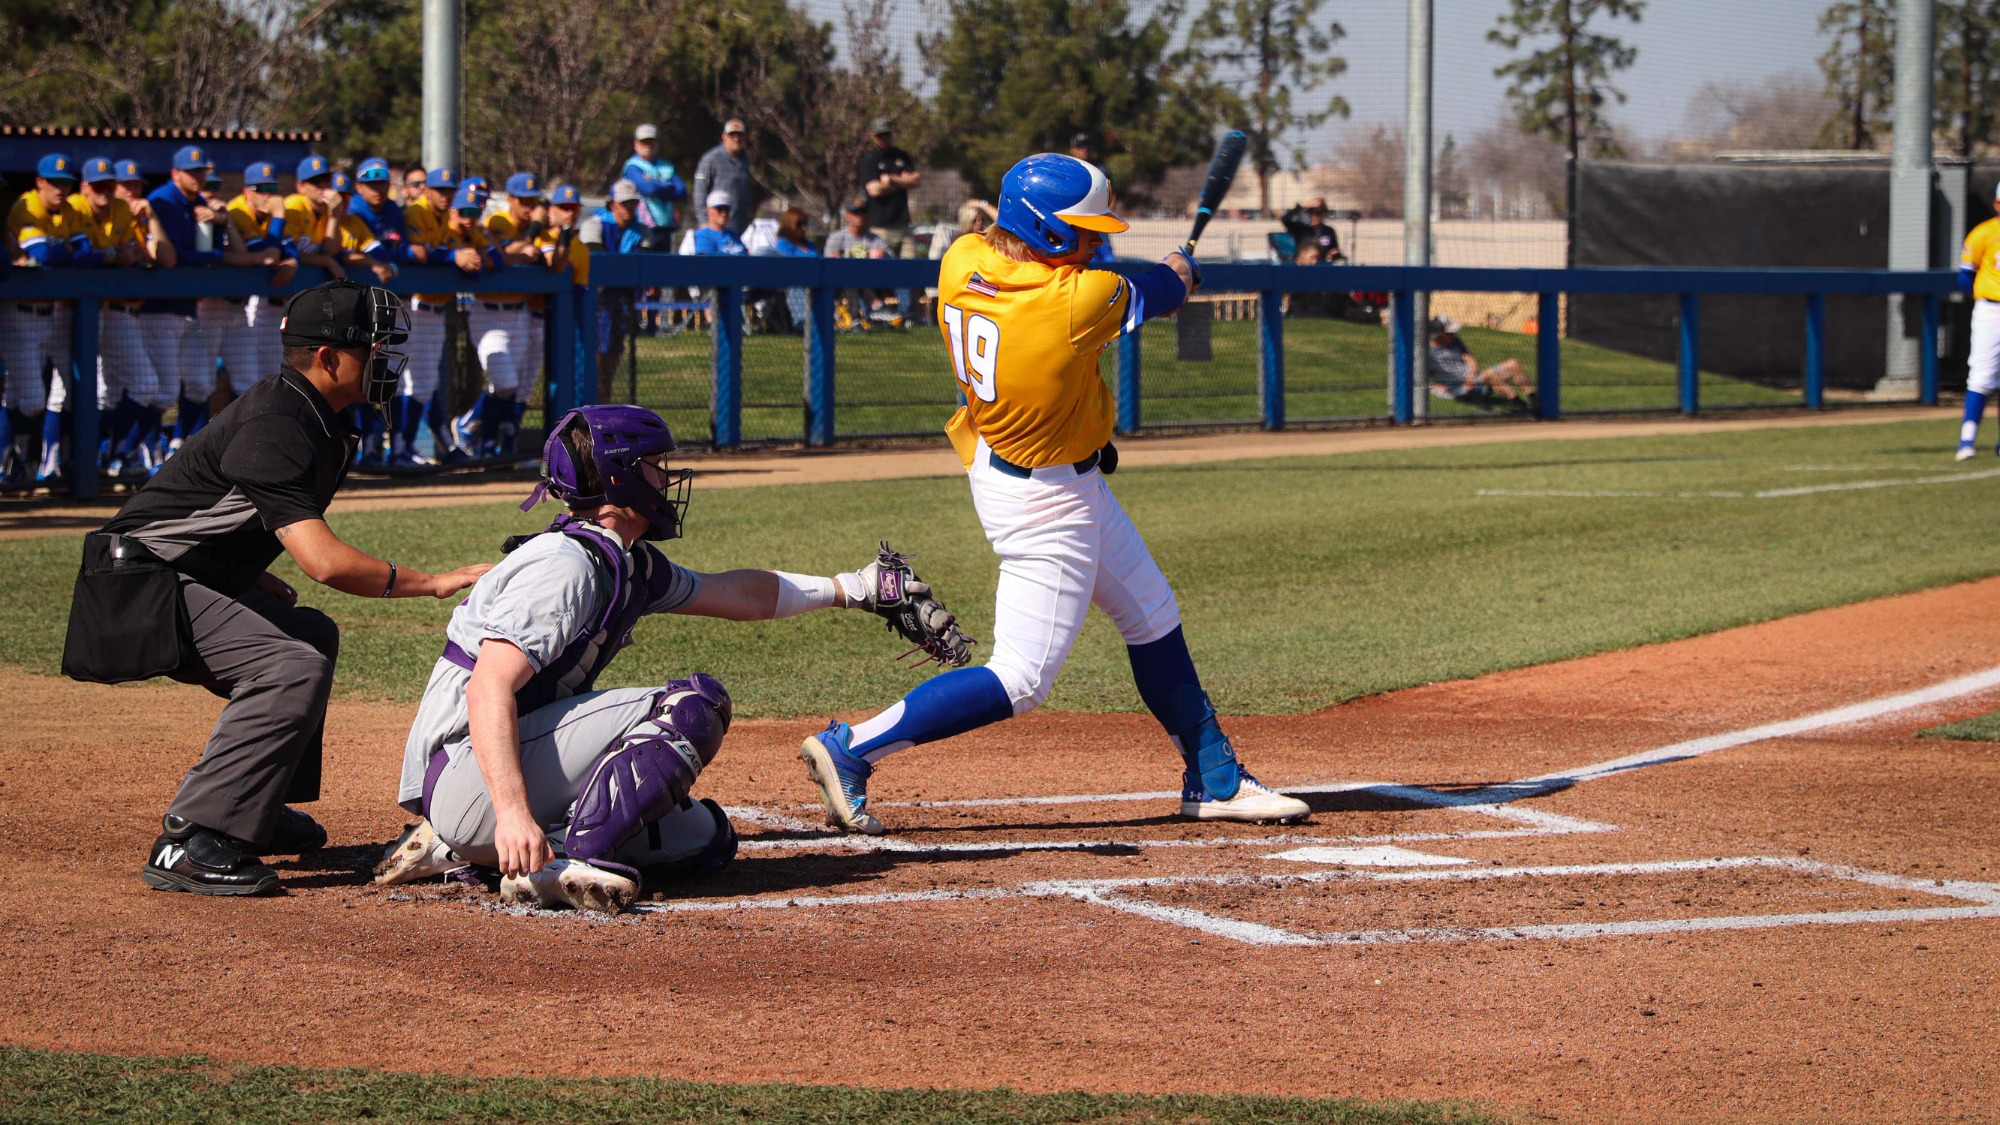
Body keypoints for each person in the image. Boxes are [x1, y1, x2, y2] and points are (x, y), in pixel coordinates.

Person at [796, 153, 1310, 834]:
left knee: (1152, 612)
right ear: (1048, 233)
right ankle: (852, 747)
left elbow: (1095, 274)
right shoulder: (1075, 301)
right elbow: (1163, 288)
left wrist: (1154, 274)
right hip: (1046, 501)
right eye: (1085, 230)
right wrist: (1178, 272)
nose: (1098, 241)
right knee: (1020, 678)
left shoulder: (963, 258)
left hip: (1023, 467)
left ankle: (1213, 774)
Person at [373, 404, 957, 910]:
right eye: (654, 466)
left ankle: (467, 850)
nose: (666, 477)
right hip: (471, 776)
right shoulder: (565, 566)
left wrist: (852, 587)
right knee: (692, 704)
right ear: (619, 478)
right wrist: (511, 814)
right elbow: (487, 688)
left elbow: (736, 592)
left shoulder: (622, 562)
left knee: (707, 841)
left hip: (492, 774)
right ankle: (559, 859)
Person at [61, 278, 492, 897]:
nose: (386, 362)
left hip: (170, 571)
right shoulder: (280, 419)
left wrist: (237, 569)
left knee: (309, 633)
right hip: (134, 586)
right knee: (288, 667)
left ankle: (252, 805)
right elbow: (324, 563)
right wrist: (432, 582)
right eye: (375, 349)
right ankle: (194, 837)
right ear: (328, 358)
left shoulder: (312, 411)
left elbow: (212, 513)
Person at [44, 155, 158, 489]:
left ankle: (105, 455)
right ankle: (56, 463)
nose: (105, 192)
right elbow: (71, 257)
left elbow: (137, 256)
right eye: (98, 186)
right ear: (85, 187)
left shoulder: (122, 210)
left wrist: (121, 254)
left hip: (107, 310)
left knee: (118, 388)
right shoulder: (74, 206)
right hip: (64, 310)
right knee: (59, 391)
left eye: (110, 186)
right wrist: (110, 257)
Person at [454, 172, 554, 458]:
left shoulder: (536, 227)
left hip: (520, 313)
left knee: (513, 387)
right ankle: (466, 423)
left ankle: (493, 447)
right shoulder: (498, 221)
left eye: (532, 200)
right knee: (506, 383)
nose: (528, 206)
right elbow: (506, 255)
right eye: (523, 200)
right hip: (490, 312)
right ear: (510, 199)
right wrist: (533, 230)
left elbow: (537, 255)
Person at [2, 153, 85, 491]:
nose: (61, 189)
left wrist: (63, 249)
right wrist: (63, 248)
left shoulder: (67, 210)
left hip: (48, 313)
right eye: (54, 182)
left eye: (66, 182)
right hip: (18, 312)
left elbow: (87, 253)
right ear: (39, 182)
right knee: (30, 398)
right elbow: (44, 254)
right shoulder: (26, 206)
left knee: (29, 395)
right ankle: (12, 459)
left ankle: (15, 461)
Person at [141, 146, 226, 470]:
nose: (198, 176)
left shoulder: (200, 203)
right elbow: (176, 256)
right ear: (175, 173)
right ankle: (143, 449)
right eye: (191, 172)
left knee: (201, 383)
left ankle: (183, 446)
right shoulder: (163, 199)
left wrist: (219, 220)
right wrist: (209, 257)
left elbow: (214, 253)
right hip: (158, 308)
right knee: (161, 390)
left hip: (191, 308)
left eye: (201, 171)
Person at [396, 167, 470, 464]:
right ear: (428, 191)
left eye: (449, 190)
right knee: (407, 384)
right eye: (440, 190)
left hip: (434, 311)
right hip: (413, 307)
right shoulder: (417, 212)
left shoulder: (445, 219)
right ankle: (398, 449)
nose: (445, 195)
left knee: (424, 384)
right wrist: (452, 256)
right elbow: (419, 253)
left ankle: (407, 448)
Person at [858, 116, 922, 322]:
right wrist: (901, 181)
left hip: (903, 224)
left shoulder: (901, 156)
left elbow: (916, 180)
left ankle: (907, 313)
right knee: (876, 270)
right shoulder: (870, 160)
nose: (885, 138)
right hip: (879, 226)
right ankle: (873, 310)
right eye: (880, 135)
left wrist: (892, 179)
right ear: (872, 136)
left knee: (908, 268)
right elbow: (874, 189)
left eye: (887, 134)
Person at [586, 180, 646, 402]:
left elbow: (647, 258)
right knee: (595, 364)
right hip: (597, 303)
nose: (628, 209)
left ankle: (602, 413)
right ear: (612, 204)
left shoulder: (640, 230)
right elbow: (599, 264)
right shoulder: (595, 224)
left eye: (632, 203)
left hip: (622, 303)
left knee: (609, 366)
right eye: (623, 204)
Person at [1956, 181, 2000, 459]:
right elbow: (1965, 275)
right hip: (1991, 311)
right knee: (1981, 377)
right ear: (1996, 204)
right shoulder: (1983, 233)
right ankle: (1967, 441)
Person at [1425, 317, 1534, 407]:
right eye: (1449, 332)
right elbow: (1422, 376)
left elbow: (1470, 359)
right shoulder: (1428, 352)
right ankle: (1521, 405)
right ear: (1439, 334)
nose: (1453, 334)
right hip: (1462, 390)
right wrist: (1435, 387)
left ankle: (1534, 399)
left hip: (1475, 380)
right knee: (1490, 376)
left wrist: (1471, 376)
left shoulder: (1455, 341)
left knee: (1513, 364)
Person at [823, 196, 889, 328]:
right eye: (855, 212)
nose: (860, 216)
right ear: (848, 216)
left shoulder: (874, 239)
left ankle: (864, 316)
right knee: (850, 277)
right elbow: (828, 261)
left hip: (870, 280)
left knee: (855, 277)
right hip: (840, 280)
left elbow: (891, 258)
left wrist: (883, 254)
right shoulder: (836, 238)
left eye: (862, 212)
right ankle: (869, 310)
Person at [622, 123, 686, 252]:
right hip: (642, 226)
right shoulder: (632, 166)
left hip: (665, 225)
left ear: (657, 144)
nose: (648, 146)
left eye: (651, 142)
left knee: (662, 267)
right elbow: (648, 189)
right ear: (636, 144)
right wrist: (667, 185)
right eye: (644, 142)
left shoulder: (666, 166)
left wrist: (657, 184)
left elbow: (681, 190)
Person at [691, 119, 753, 237]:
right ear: (724, 136)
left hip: (739, 227)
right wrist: (703, 221)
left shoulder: (745, 160)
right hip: (716, 227)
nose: (736, 139)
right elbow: (700, 192)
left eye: (739, 135)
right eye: (732, 135)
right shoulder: (710, 159)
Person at [691, 190, 748, 255]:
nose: (724, 214)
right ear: (709, 210)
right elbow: (708, 262)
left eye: (726, 209)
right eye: (719, 209)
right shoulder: (703, 236)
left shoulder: (733, 235)